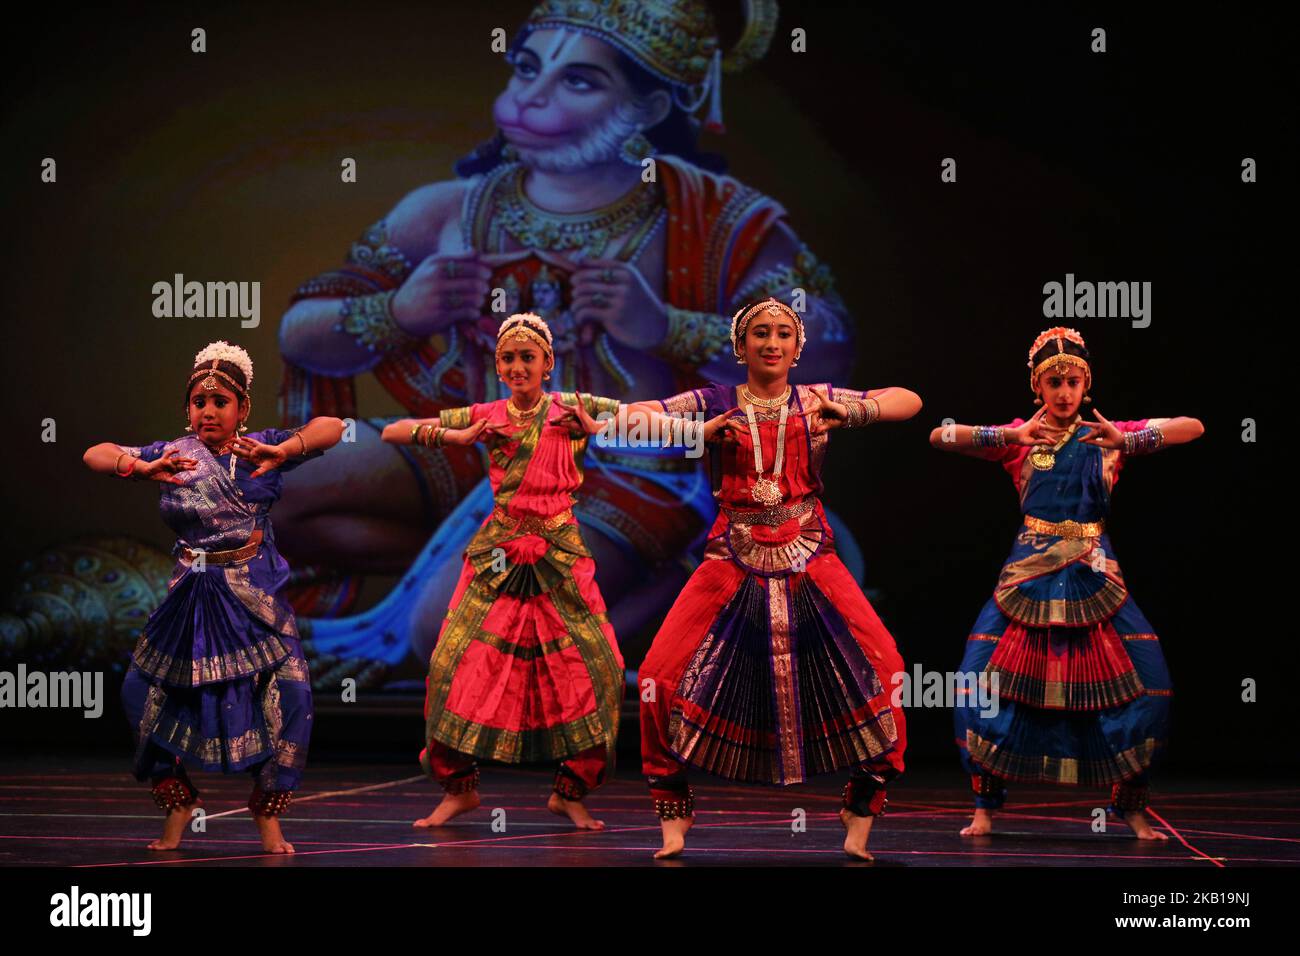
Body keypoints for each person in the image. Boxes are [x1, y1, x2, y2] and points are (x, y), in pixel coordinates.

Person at [274, 0, 862, 680]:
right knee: (270, 489)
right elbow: (303, 335)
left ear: (646, 108)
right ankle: (484, 571)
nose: (530, 97)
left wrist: (665, 326)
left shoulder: (715, 220)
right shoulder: (451, 210)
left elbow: (830, 345)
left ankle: (696, 581)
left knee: (446, 636)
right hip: (482, 453)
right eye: (526, 69)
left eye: (578, 81)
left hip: (635, 472)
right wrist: (401, 311)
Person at [384, 313, 731, 829]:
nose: (518, 365)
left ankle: (570, 790)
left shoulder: (574, 409)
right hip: (498, 554)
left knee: (599, 667)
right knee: (453, 664)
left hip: (559, 553)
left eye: (528, 357)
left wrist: (696, 428)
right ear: (498, 366)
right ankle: (458, 787)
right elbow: (394, 429)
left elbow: (639, 420)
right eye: (509, 358)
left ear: (548, 363)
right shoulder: (487, 413)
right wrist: (449, 437)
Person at [633, 298, 921, 859]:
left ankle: (861, 807)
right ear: (740, 348)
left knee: (887, 671)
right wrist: (691, 425)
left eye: (783, 334)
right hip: (731, 553)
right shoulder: (714, 401)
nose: (772, 342)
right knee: (656, 678)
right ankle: (673, 810)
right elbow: (632, 416)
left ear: (797, 347)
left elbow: (909, 400)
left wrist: (856, 413)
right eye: (759, 334)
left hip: (811, 551)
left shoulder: (818, 401)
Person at [930, 326, 1204, 840]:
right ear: (1038, 387)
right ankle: (985, 806)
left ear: (1086, 385)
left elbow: (1194, 426)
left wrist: (1132, 439)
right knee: (978, 683)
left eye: (1072, 381)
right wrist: (1006, 437)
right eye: (1053, 382)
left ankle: (1133, 809)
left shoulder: (1108, 437)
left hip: (1095, 571)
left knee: (1148, 686)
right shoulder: (1021, 436)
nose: (1063, 392)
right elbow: (940, 436)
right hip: (1028, 574)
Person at [81, 341, 344, 852]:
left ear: (242, 409)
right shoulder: (171, 455)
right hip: (191, 600)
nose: (208, 411)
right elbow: (96, 452)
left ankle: (267, 812)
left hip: (253, 596)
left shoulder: (259, 449)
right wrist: (136, 467)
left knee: (292, 696)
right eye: (199, 402)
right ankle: (177, 802)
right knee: (139, 695)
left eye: (220, 402)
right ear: (188, 409)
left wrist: (287, 450)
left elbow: (331, 426)